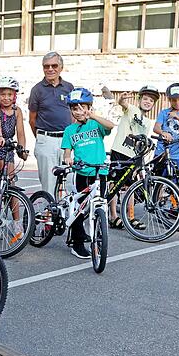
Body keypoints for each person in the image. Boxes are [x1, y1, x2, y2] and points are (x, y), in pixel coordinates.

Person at [60, 87, 114, 259]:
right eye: (75, 108)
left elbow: (110, 125)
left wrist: (93, 116)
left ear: (89, 107)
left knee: (98, 205)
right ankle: (77, 243)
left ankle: (96, 234)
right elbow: (67, 151)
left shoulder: (95, 124)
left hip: (100, 172)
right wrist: (68, 158)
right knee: (79, 207)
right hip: (81, 172)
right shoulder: (70, 130)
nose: (79, 111)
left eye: (83, 107)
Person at [108, 87, 157, 229]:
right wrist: (122, 98)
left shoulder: (148, 122)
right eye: (146, 99)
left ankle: (130, 217)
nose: (148, 102)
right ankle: (113, 216)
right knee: (115, 183)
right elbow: (122, 103)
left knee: (130, 186)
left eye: (151, 100)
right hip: (120, 150)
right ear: (139, 99)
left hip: (134, 156)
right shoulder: (131, 109)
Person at [29, 52, 75, 195]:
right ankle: (50, 214)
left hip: (66, 141)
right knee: (49, 184)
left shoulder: (69, 87)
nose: (50, 69)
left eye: (54, 65)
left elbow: (74, 114)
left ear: (61, 67)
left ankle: (67, 216)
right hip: (46, 140)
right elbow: (32, 119)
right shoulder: (37, 90)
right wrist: (41, 138)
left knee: (70, 182)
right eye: (46, 66)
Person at [152, 82, 179, 168]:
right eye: (173, 100)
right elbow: (156, 128)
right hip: (161, 152)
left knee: (174, 180)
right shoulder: (164, 113)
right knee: (158, 179)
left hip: (176, 154)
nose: (177, 103)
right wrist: (163, 133)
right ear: (169, 100)